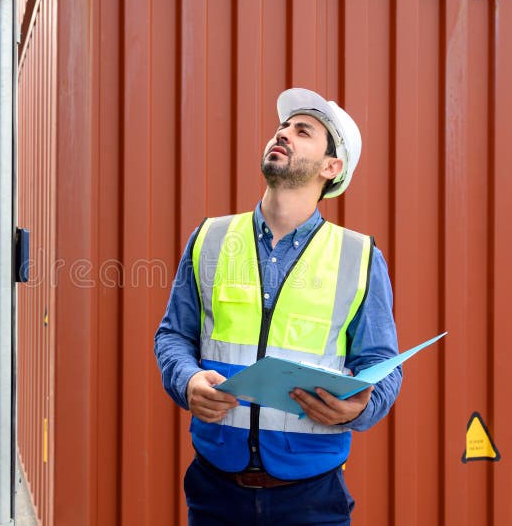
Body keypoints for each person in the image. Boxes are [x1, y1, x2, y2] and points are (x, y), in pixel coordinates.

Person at [154, 88, 401, 525]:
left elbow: (382, 365)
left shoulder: (359, 256)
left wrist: (361, 408)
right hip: (215, 490)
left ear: (331, 167)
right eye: (282, 127)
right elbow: (173, 335)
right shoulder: (210, 238)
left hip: (312, 497)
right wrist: (186, 380)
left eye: (302, 131)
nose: (283, 133)